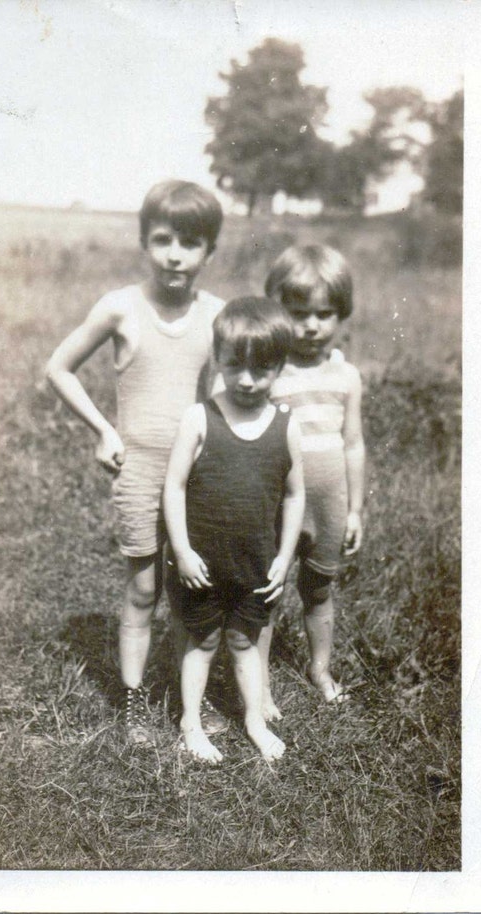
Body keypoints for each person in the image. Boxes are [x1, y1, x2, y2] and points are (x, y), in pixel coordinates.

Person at [45, 180, 224, 746]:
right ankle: (132, 701)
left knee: (193, 588)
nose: (175, 254)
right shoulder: (121, 306)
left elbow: (223, 396)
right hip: (141, 471)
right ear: (145, 242)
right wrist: (102, 430)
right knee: (143, 589)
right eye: (163, 240)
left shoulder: (217, 315)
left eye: (190, 243)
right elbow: (59, 367)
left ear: (209, 251)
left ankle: (189, 700)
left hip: (196, 474)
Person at [163, 297, 305, 763]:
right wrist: (182, 550)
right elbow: (175, 486)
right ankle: (190, 723)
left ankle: (253, 721)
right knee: (202, 642)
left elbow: (293, 495)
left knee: (245, 644)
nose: (246, 380)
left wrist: (284, 556)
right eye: (233, 366)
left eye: (261, 370)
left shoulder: (285, 426)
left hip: (256, 563)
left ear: (280, 366)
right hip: (202, 563)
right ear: (218, 360)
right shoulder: (199, 418)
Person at [259, 244, 365, 717]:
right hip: (277, 505)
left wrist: (356, 509)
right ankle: (257, 680)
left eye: (324, 313)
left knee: (319, 591)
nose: (311, 325)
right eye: (298, 312)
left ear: (341, 315)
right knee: (267, 590)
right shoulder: (269, 373)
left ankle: (321, 670)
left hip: (329, 504)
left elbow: (353, 445)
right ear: (277, 310)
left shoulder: (346, 376)